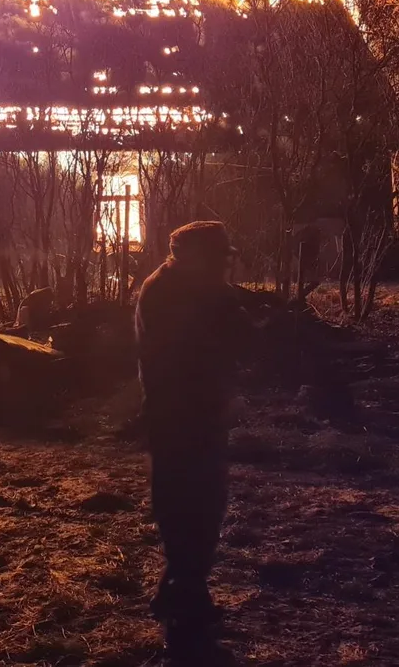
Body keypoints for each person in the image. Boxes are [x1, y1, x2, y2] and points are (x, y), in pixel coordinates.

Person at [134, 220, 252, 645]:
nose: (224, 265)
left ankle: (181, 590)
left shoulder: (179, 286)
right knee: (191, 504)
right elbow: (206, 349)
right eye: (218, 258)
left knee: (196, 503)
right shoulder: (175, 293)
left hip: (189, 414)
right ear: (197, 258)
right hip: (180, 415)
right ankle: (185, 597)